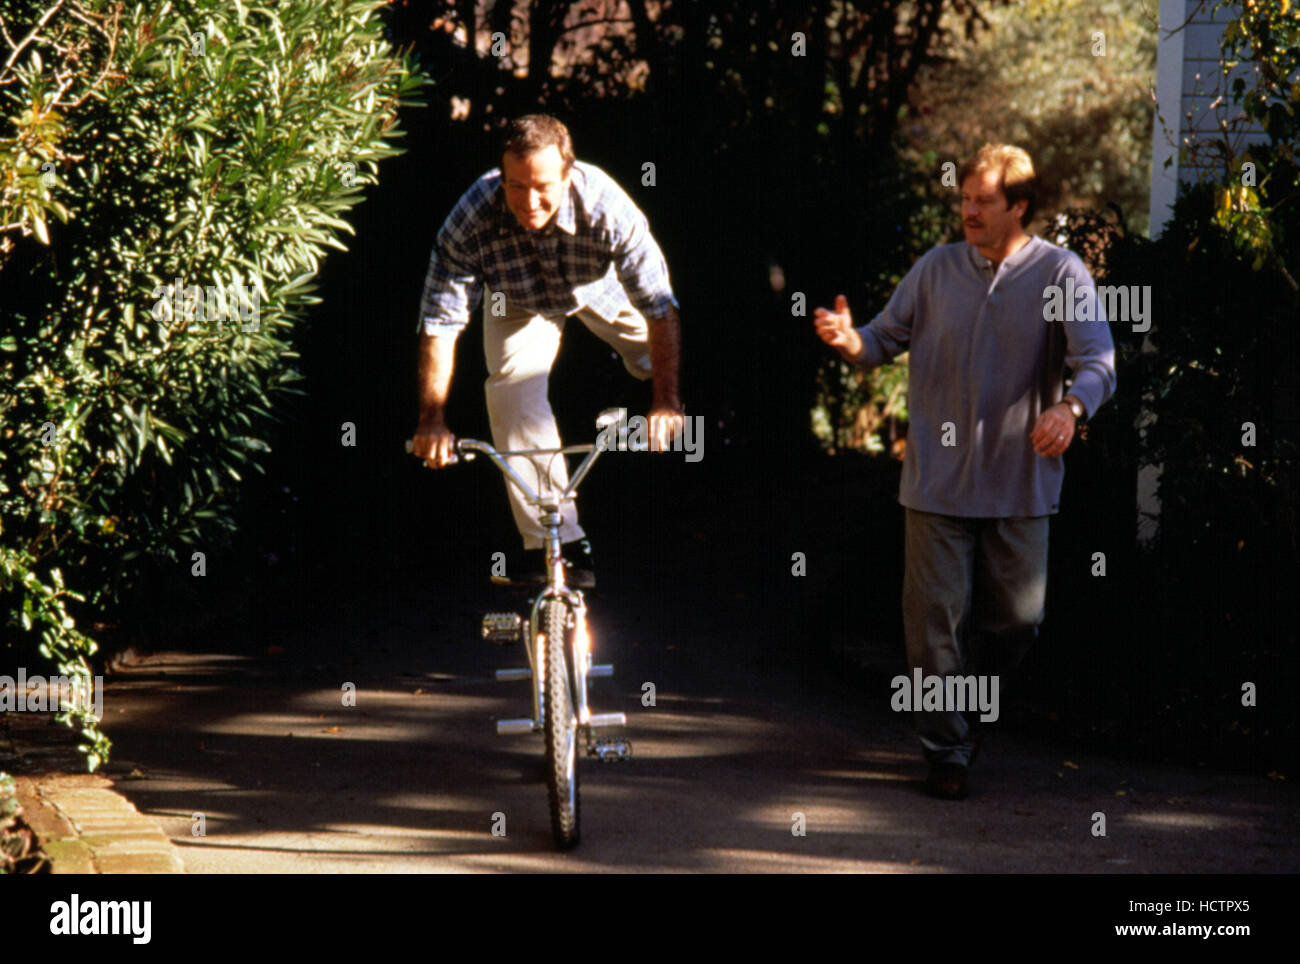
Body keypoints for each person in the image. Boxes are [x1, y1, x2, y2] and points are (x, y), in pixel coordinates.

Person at [813, 144, 1116, 800]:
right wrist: (848, 339)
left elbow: (1098, 361)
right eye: (965, 198)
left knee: (1017, 621)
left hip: (1020, 483)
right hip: (937, 483)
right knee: (934, 623)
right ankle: (945, 751)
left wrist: (1070, 407)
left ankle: (974, 709)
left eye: (983, 200)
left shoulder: (1062, 274)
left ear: (1019, 206)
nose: (968, 210)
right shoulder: (935, 269)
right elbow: (880, 339)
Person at [412, 114, 684, 586]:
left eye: (542, 186)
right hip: (516, 300)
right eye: (515, 187)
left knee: (654, 362)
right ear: (501, 176)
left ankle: (692, 420)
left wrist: (665, 402)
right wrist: (432, 417)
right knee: (510, 393)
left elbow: (661, 309)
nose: (528, 201)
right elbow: (440, 323)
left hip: (598, 287)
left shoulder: (606, 208)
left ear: (568, 174)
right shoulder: (471, 216)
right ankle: (559, 544)